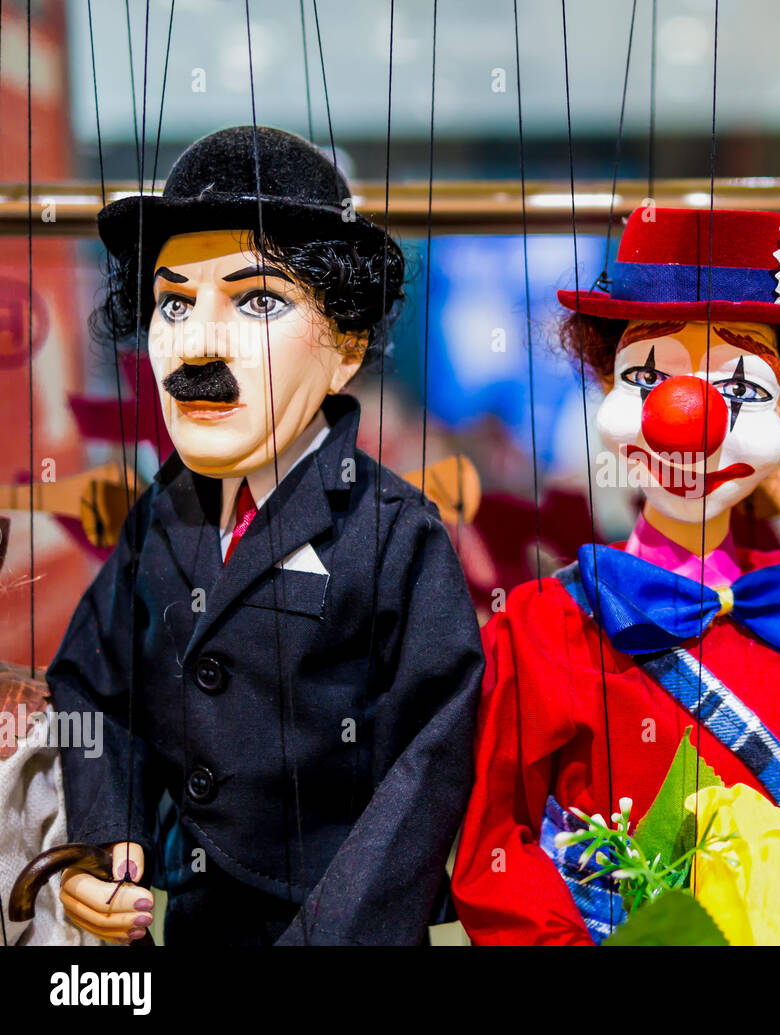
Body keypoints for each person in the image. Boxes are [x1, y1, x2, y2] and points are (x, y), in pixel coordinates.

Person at [45, 125, 483, 946]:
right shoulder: (159, 521)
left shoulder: (394, 537)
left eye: (257, 300)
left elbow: (428, 764)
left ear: (346, 344)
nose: (198, 343)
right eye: (175, 302)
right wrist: (109, 838)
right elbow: (94, 686)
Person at [451, 206, 780, 944]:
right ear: (605, 389)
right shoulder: (538, 626)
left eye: (743, 388)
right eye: (645, 376)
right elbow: (497, 849)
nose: (683, 416)